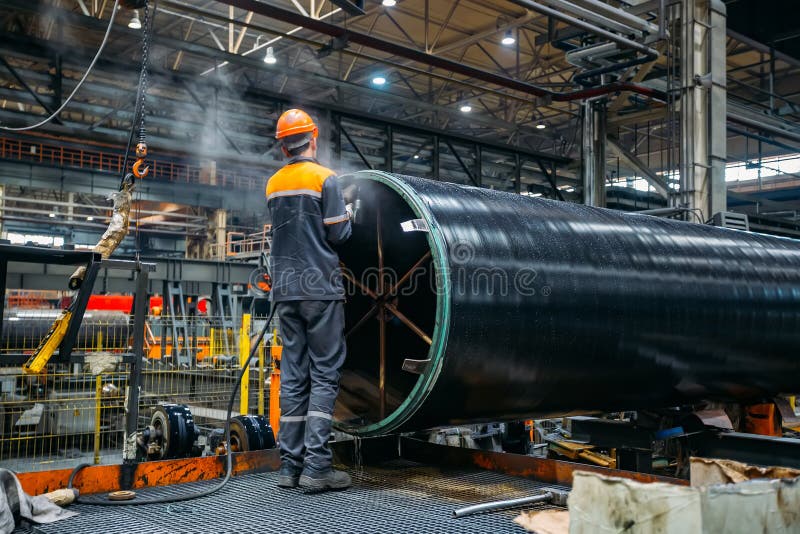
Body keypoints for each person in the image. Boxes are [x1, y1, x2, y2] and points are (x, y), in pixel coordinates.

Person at [266, 109, 353, 492]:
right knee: (324, 374)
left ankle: (290, 466)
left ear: (283, 144)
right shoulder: (325, 178)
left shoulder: (273, 184)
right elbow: (339, 236)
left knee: (294, 376)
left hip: (285, 291)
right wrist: (349, 214)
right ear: (313, 138)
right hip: (320, 290)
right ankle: (318, 467)